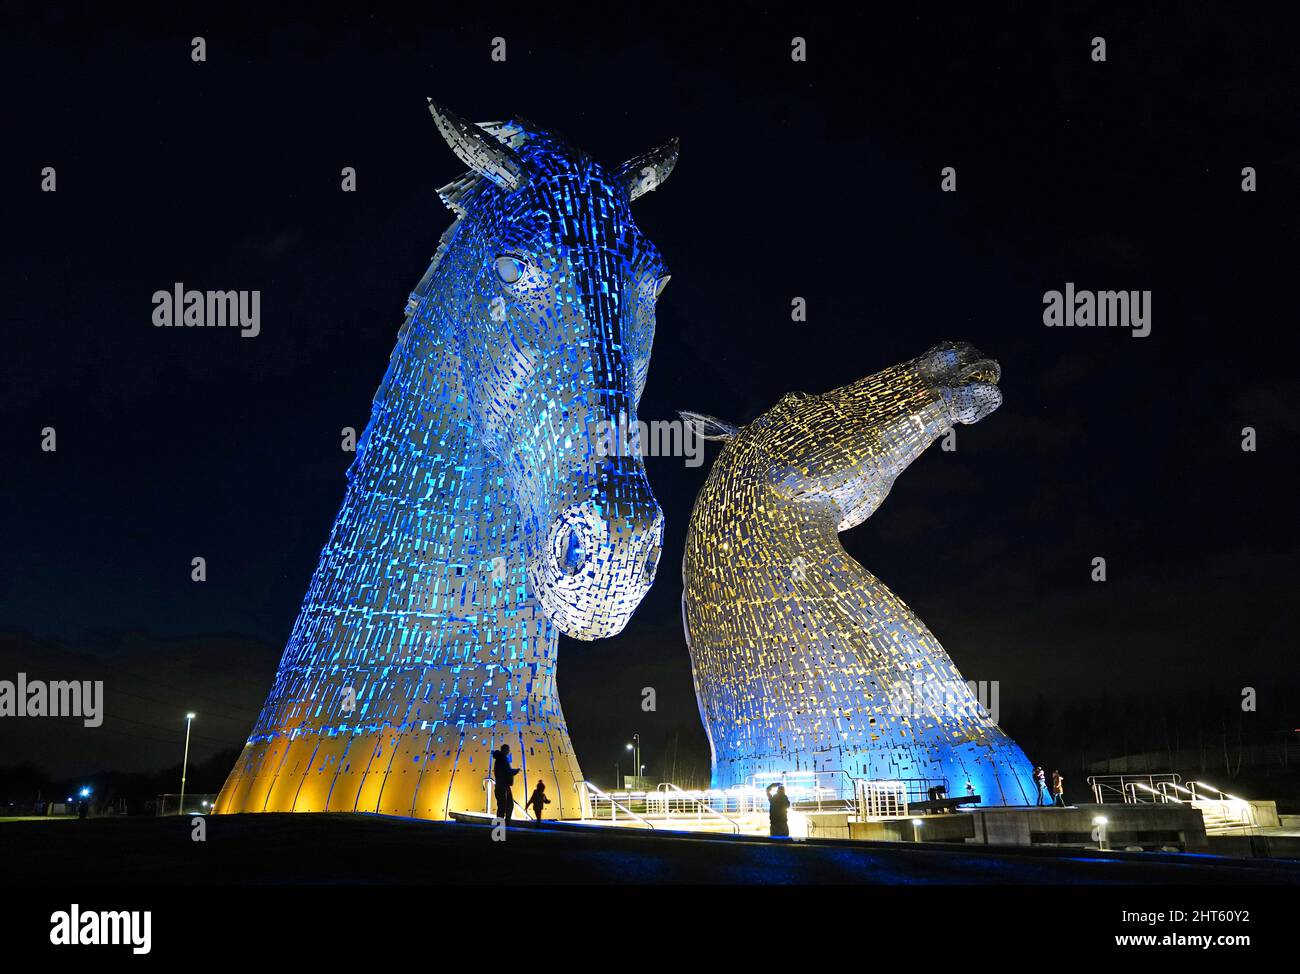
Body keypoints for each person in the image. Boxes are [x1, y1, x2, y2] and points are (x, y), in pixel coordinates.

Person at [491, 744, 521, 822]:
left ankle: (501, 823)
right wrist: (516, 771)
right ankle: (504, 823)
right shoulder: (502, 759)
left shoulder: (500, 759)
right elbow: (507, 772)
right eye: (507, 749)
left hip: (501, 785)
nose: (508, 751)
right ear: (504, 749)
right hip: (503, 786)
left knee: (503, 805)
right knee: (506, 805)